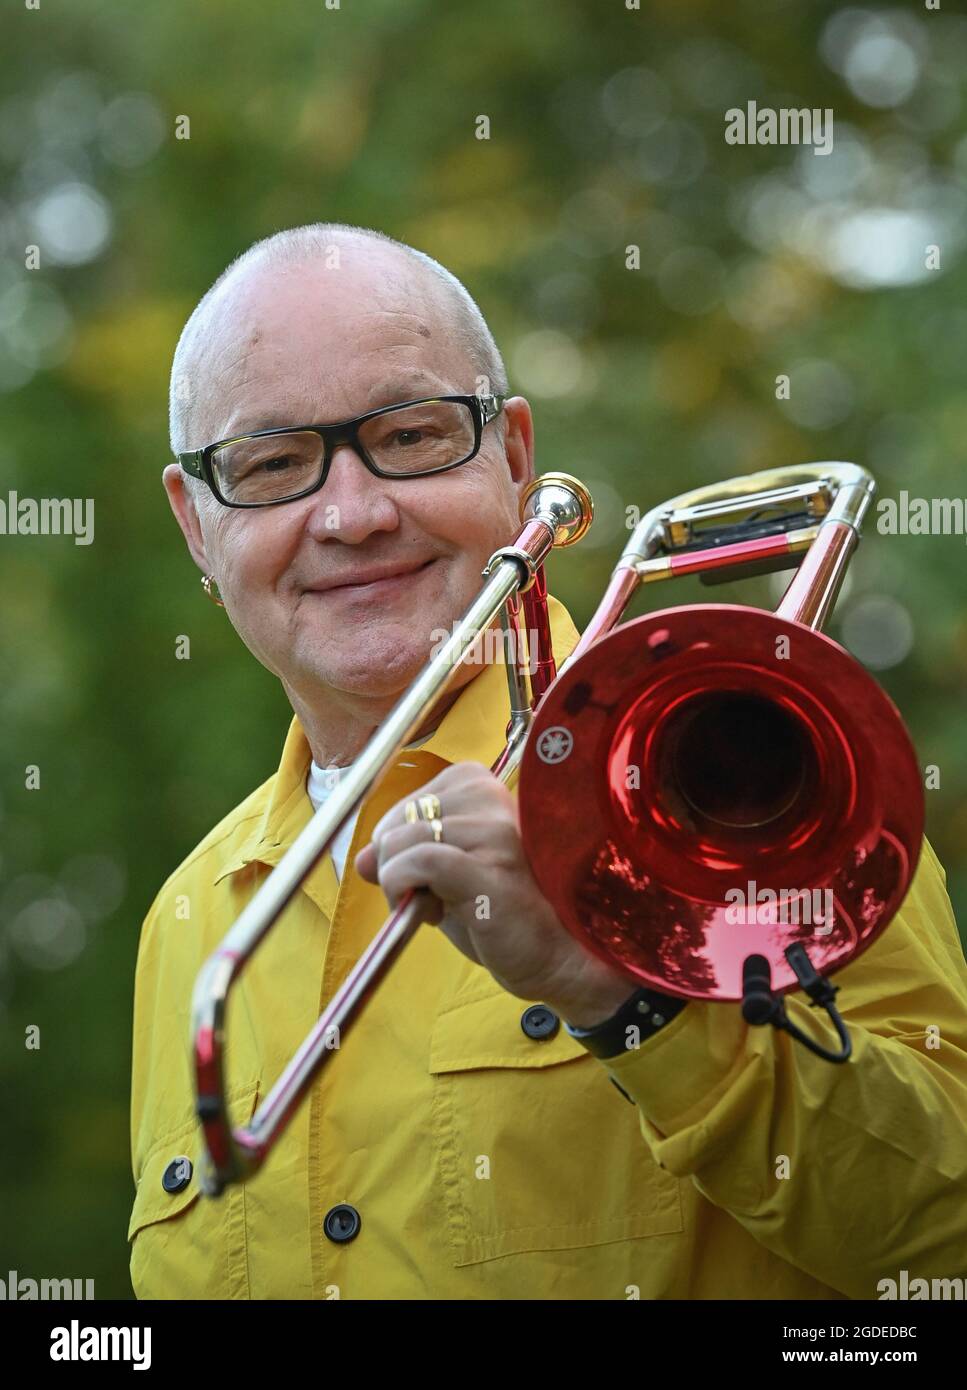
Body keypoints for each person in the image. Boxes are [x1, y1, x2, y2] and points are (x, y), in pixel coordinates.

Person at [130, 221, 967, 1300]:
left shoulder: (756, 768)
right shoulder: (188, 920)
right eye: (273, 463)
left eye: (412, 435)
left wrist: (617, 993)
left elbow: (944, 1249)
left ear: (513, 458)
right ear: (196, 525)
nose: (352, 512)